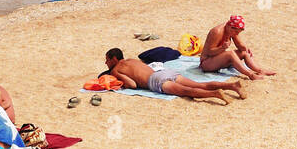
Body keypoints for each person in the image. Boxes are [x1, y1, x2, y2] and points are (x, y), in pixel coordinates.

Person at [106, 47, 247, 100]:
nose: (106, 63)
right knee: (200, 84)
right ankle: (233, 86)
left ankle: (215, 94)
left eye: (107, 60)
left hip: (155, 81)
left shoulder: (116, 69)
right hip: (164, 72)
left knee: (187, 91)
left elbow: (133, 84)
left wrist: (121, 84)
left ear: (114, 59)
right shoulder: (132, 60)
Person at [200, 15, 276, 79]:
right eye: (236, 32)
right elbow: (209, 52)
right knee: (230, 54)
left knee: (244, 52)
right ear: (230, 27)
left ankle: (260, 70)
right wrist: (222, 48)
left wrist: (245, 48)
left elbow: (239, 45)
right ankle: (251, 75)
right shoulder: (217, 32)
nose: (236, 34)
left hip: (218, 60)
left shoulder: (231, 30)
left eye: (238, 33)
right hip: (206, 63)